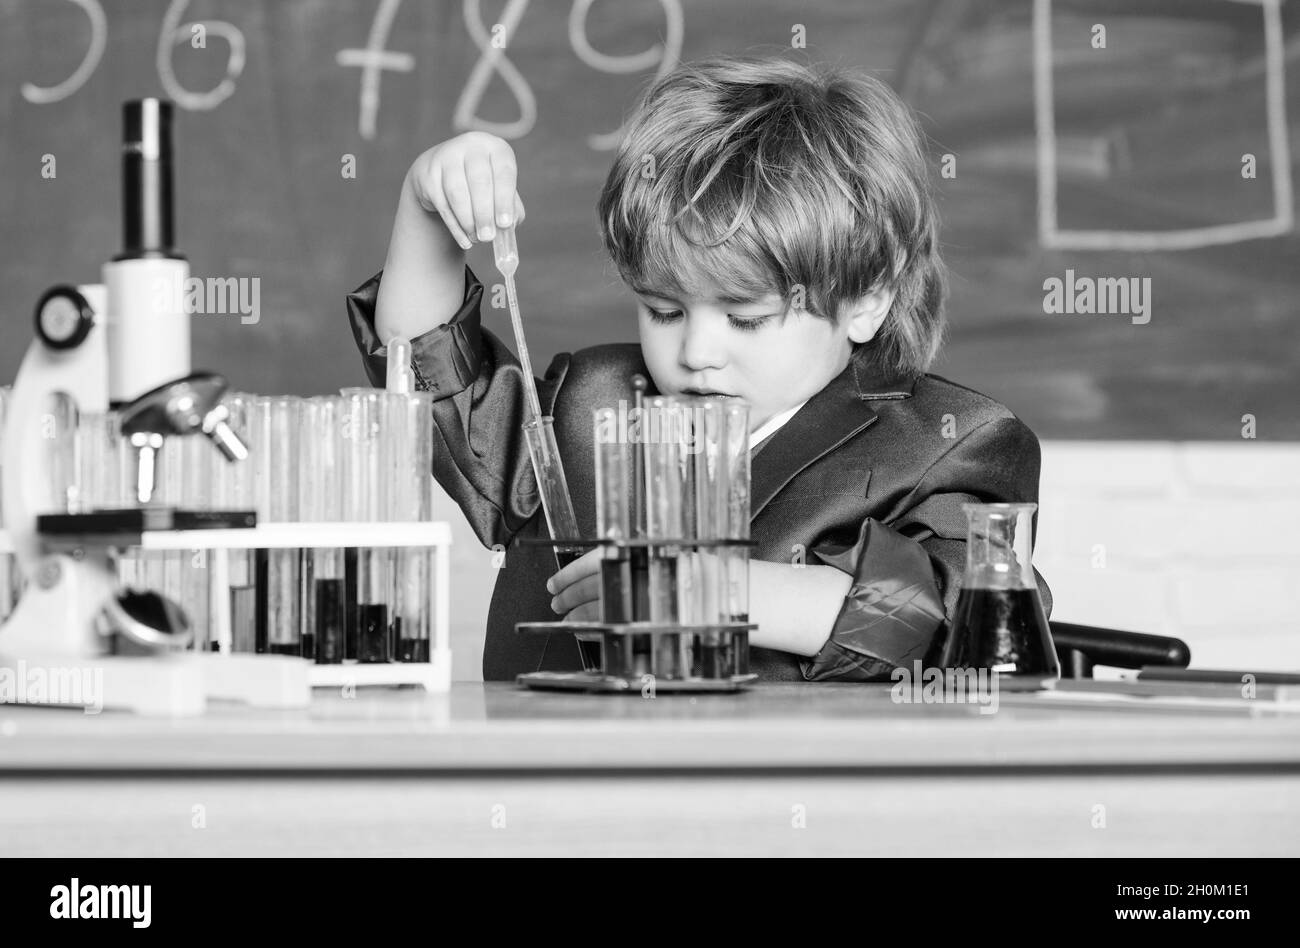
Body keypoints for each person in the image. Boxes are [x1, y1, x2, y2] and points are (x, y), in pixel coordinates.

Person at [346, 54, 1053, 681]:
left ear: (867, 298)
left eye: (746, 319)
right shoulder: (589, 405)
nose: (696, 353)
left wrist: (715, 591)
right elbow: (427, 376)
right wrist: (426, 209)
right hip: (557, 803)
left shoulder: (954, 444)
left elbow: (957, 626)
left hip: (780, 814)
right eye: (663, 311)